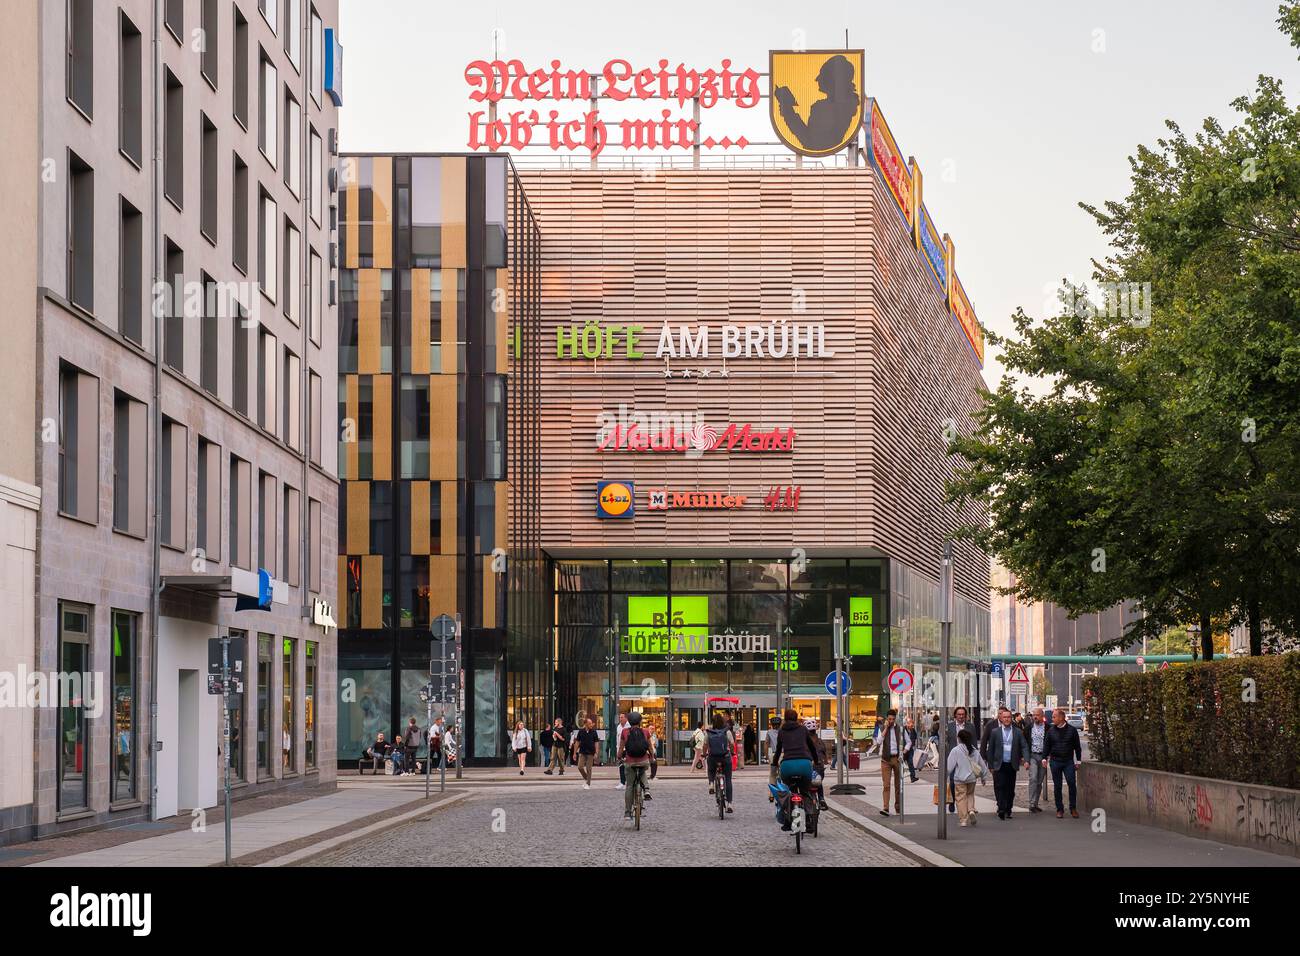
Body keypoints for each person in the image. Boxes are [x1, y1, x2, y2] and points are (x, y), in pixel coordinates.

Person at [771, 709, 823, 829]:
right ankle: (810, 820)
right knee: (806, 791)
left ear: (785, 718)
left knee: (788, 792)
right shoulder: (803, 729)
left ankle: (789, 820)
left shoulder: (782, 731)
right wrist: (816, 761)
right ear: (796, 718)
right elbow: (811, 747)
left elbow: (778, 750)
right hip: (804, 764)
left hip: (787, 766)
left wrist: (774, 763)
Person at [980, 707, 1030, 819]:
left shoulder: (1017, 732)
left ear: (1011, 718)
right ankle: (1001, 808)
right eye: (1004, 717)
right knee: (1000, 786)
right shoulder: (995, 732)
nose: (1007, 719)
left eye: (1008, 717)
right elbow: (991, 749)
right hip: (999, 763)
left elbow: (1024, 746)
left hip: (1011, 763)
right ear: (1001, 718)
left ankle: (1008, 808)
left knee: (1010, 788)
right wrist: (990, 764)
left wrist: (1026, 760)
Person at [1043, 707, 1084, 818]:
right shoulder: (1051, 730)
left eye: (1054, 716)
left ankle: (1073, 808)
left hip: (1068, 762)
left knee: (1071, 784)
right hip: (1055, 762)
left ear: (1061, 718)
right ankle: (1059, 809)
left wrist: (1078, 761)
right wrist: (1044, 758)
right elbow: (1046, 746)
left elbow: (1077, 747)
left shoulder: (1072, 730)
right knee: (1058, 786)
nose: (1052, 719)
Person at [946, 729, 989, 827]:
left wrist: (945, 777)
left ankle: (963, 819)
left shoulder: (956, 750)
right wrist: (983, 777)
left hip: (959, 778)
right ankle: (971, 810)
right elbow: (982, 765)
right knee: (970, 795)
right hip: (972, 778)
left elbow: (949, 767)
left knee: (960, 798)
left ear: (959, 739)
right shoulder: (974, 750)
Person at [618, 712, 654, 819]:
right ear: (640, 721)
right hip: (643, 760)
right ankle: (646, 790)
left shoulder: (625, 732)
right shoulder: (645, 731)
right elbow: (650, 747)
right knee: (643, 771)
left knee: (629, 786)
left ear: (629, 721)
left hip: (630, 762)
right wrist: (652, 757)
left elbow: (621, 748)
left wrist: (619, 757)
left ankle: (628, 812)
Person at [945, 706, 978, 813]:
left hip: (966, 759)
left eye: (963, 714)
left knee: (966, 782)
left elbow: (973, 742)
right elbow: (945, 742)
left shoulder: (970, 726)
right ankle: (952, 800)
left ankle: (965, 805)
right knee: (953, 781)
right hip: (953, 757)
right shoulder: (949, 726)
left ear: (966, 716)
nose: (961, 716)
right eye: (959, 714)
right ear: (955, 715)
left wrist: (975, 757)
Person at [876, 709, 906, 816]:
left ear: (896, 718)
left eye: (893, 719)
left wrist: (904, 752)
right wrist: (886, 728)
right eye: (889, 719)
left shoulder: (900, 729)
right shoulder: (882, 728)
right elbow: (879, 742)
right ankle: (886, 808)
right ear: (886, 719)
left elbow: (908, 742)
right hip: (886, 760)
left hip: (897, 759)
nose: (891, 721)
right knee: (886, 785)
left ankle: (898, 808)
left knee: (898, 786)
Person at [704, 713, 735, 813]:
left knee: (711, 769)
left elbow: (705, 745)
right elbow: (732, 744)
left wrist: (704, 754)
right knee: (728, 779)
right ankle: (729, 804)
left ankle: (711, 784)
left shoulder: (709, 732)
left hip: (713, 757)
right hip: (725, 758)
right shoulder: (727, 732)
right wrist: (732, 752)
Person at [1024, 707, 1050, 813]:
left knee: (1039, 781)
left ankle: (1035, 803)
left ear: (1042, 716)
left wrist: (1049, 755)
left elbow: (1051, 743)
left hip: (1043, 757)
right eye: (1033, 715)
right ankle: (1031, 803)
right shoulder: (1028, 728)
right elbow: (1024, 744)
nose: (1035, 717)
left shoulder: (1048, 728)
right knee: (1033, 778)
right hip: (1032, 756)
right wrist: (1025, 758)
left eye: (1037, 715)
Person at [573, 716, 599, 789]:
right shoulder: (581, 732)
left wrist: (596, 752)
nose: (591, 725)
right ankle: (587, 778)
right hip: (582, 752)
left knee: (588, 768)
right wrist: (574, 753)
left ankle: (588, 783)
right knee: (580, 767)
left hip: (591, 752)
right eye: (590, 723)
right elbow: (577, 743)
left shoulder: (594, 732)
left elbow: (596, 743)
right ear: (586, 724)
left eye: (591, 723)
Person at [765, 716, 782, 801]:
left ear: (771, 724)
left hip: (774, 755)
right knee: (783, 774)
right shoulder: (783, 732)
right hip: (783, 755)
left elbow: (766, 744)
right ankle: (784, 791)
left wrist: (766, 756)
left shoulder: (769, 732)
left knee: (772, 774)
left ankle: (772, 795)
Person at [612, 712, 630, 790]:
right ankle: (622, 782)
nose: (620, 719)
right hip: (620, 749)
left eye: (622, 717)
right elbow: (618, 739)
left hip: (627, 749)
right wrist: (617, 749)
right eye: (620, 717)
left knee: (628, 767)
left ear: (626, 718)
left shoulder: (629, 726)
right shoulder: (618, 727)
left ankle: (628, 783)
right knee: (621, 766)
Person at [902, 717, 919, 783]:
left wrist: (913, 745)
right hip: (904, 749)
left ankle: (913, 777)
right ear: (907, 724)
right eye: (911, 724)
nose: (912, 726)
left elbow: (915, 738)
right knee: (901, 764)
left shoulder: (913, 730)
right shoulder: (903, 730)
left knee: (910, 763)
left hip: (910, 749)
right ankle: (900, 777)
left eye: (913, 725)